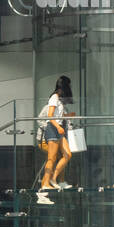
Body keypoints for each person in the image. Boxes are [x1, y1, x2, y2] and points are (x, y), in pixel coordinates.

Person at [37, 75, 74, 203]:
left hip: (58, 130)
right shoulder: (54, 98)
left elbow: (58, 115)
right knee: (51, 158)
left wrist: (68, 115)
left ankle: (53, 178)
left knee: (67, 154)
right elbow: (50, 116)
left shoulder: (59, 100)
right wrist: (58, 127)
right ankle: (44, 187)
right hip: (53, 129)